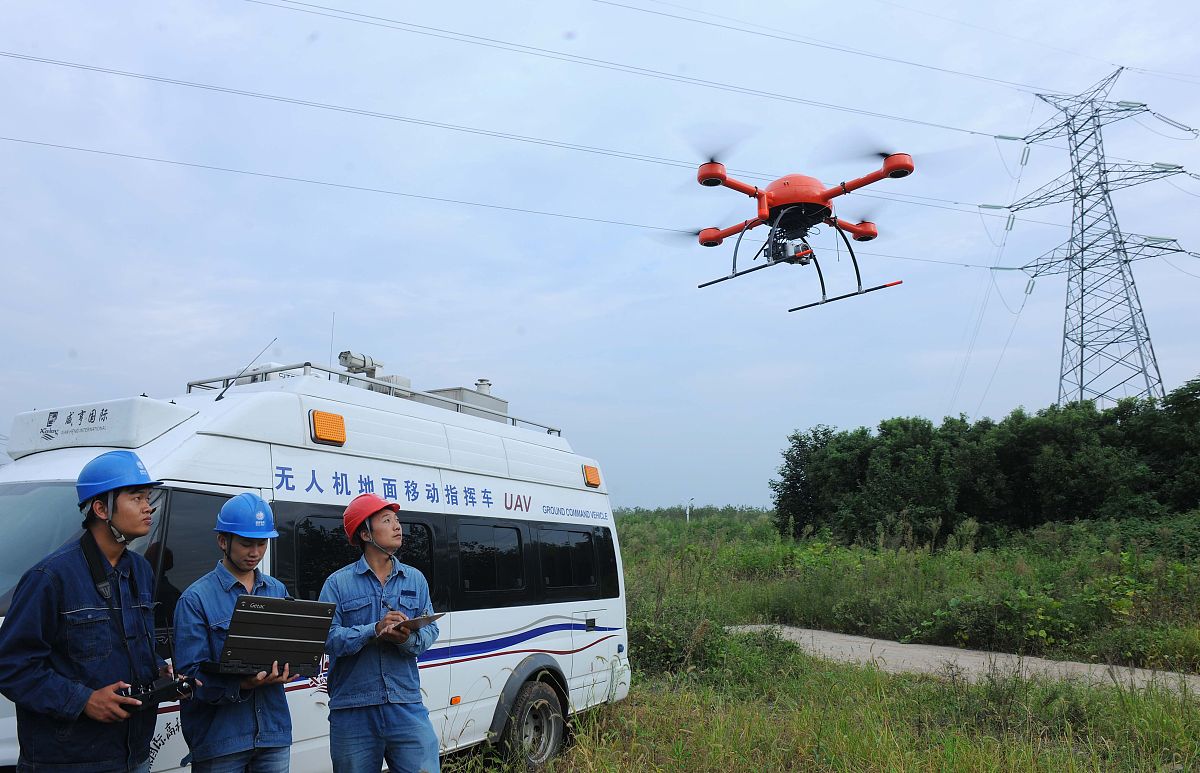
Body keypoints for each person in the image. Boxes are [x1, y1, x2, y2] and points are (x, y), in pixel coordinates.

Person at [0, 450, 186, 772]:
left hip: (134, 754)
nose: (148, 507)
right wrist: (83, 700)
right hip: (69, 761)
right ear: (101, 508)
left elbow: (131, 643)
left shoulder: (140, 570)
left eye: (148, 497)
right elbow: (11, 665)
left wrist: (158, 672)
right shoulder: (49, 578)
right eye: (136, 497)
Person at [319, 493, 441, 773]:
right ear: (365, 533)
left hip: (405, 703)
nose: (398, 526)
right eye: (387, 520)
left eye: (397, 520)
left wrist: (407, 638)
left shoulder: (415, 579)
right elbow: (327, 639)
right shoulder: (337, 584)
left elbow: (430, 630)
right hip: (353, 709)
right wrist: (372, 630)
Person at [174, 493, 293, 773]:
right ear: (223, 541)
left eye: (261, 543)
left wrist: (292, 665)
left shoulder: (277, 591)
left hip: (273, 735)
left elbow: (290, 648)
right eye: (246, 543)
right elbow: (190, 678)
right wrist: (242, 685)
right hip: (220, 741)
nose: (255, 552)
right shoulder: (196, 599)